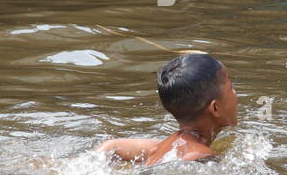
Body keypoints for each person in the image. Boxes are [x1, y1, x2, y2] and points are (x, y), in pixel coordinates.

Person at [96, 54, 238, 165]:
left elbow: (110, 146)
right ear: (215, 108)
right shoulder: (202, 158)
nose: (235, 93)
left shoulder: (161, 147)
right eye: (231, 87)